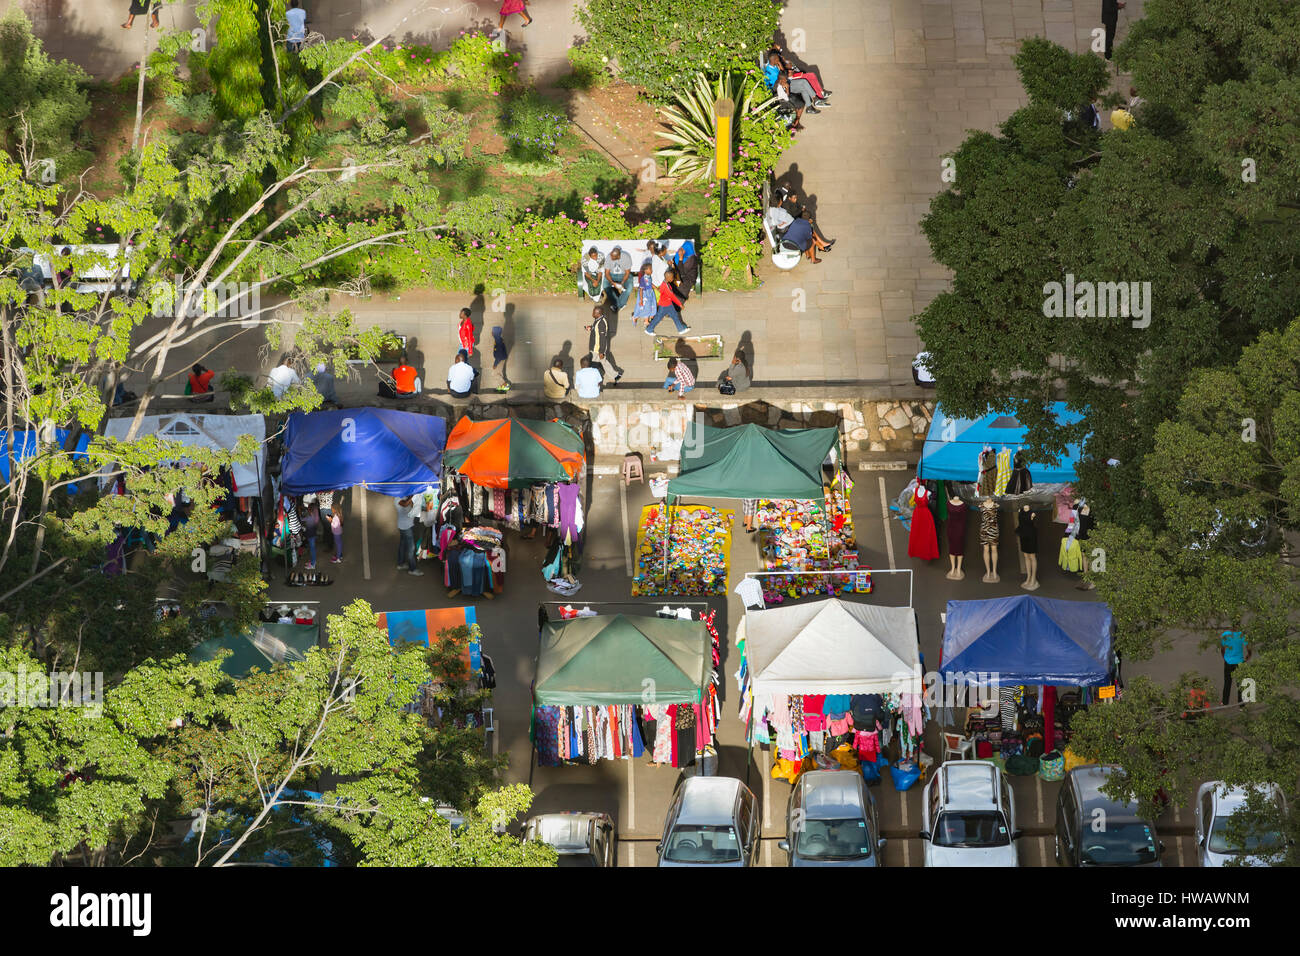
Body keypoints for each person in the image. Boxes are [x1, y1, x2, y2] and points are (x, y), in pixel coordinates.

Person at [765, 45, 831, 101]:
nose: (778, 60)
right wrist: (788, 73)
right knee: (808, 77)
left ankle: (821, 92)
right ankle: (820, 95)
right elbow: (781, 80)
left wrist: (783, 66)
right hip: (786, 82)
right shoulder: (772, 72)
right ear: (773, 59)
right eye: (777, 59)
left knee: (811, 75)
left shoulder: (773, 63)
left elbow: (782, 71)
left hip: (786, 77)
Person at [585, 304, 623, 384]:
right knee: (604, 362)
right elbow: (597, 329)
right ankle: (615, 375)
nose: (592, 314)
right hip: (597, 348)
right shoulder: (599, 319)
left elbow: (603, 339)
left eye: (594, 312)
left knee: (594, 364)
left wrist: (601, 351)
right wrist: (591, 328)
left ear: (598, 314)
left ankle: (594, 379)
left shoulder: (601, 323)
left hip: (597, 349)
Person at [646, 267, 689, 335]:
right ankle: (649, 329)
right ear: (668, 278)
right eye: (672, 277)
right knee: (659, 317)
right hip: (665, 305)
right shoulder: (667, 286)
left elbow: (660, 290)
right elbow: (672, 296)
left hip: (667, 303)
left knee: (675, 315)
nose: (673, 279)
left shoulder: (664, 283)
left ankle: (681, 329)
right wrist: (680, 304)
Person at [1220, 629, 1249, 706]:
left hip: (1228, 662)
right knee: (1240, 684)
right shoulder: (1242, 634)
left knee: (1227, 682)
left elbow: (1222, 649)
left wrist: (1225, 658)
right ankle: (1241, 705)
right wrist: (1248, 656)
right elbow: (1248, 648)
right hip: (1239, 662)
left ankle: (1225, 702)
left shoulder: (1225, 634)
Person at [395, 495, 422, 575]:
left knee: (402, 545)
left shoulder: (404, 497)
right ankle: (412, 569)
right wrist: (413, 496)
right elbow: (405, 504)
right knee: (411, 548)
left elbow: (412, 506)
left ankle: (400, 564)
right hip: (405, 527)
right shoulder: (397, 498)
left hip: (406, 525)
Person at [604, 246, 633, 311]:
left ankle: (616, 305)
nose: (611, 257)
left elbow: (627, 273)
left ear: (618, 256)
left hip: (623, 275)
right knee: (605, 286)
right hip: (612, 275)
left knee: (629, 288)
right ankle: (619, 304)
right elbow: (607, 273)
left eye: (613, 257)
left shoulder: (626, 257)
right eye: (611, 256)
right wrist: (613, 283)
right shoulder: (609, 257)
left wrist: (621, 284)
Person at [299, 498, 320, 570]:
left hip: (310, 535)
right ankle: (313, 561)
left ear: (309, 510)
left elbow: (301, 519)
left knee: (312, 549)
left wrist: (299, 513)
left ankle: (313, 564)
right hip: (313, 534)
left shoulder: (308, 518)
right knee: (312, 548)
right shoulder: (314, 517)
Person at [490, 325, 510, 392]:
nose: (491, 332)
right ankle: (502, 387)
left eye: (492, 331)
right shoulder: (498, 339)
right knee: (499, 373)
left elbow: (499, 354)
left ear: (495, 333)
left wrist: (495, 364)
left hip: (500, 359)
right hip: (501, 358)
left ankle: (505, 385)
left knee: (494, 373)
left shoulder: (498, 341)